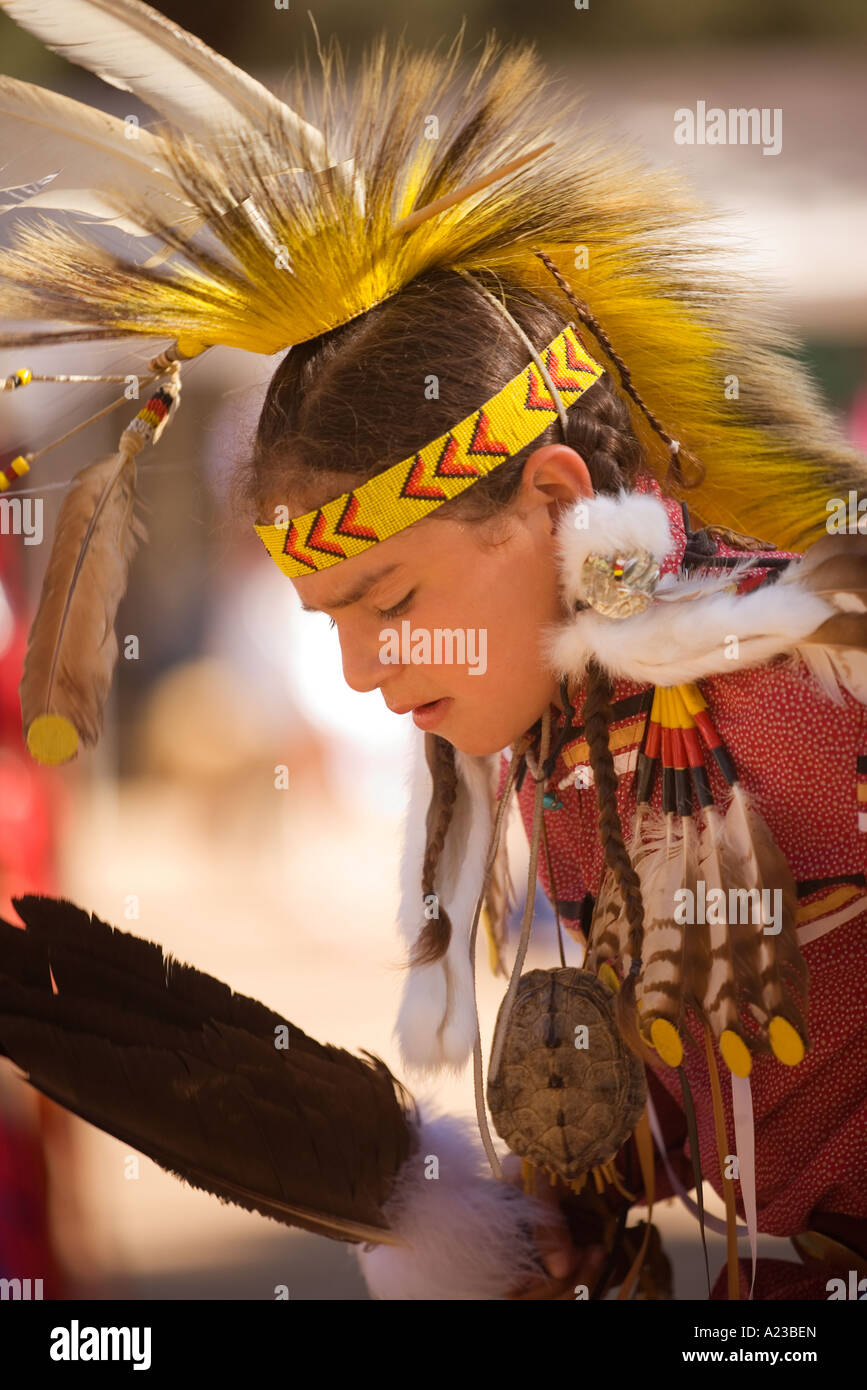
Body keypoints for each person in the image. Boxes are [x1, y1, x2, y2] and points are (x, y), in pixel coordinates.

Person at [1, 0, 865, 1300]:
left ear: (561, 504)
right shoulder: (575, 739)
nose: (360, 671)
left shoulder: (812, 703)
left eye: (389, 598)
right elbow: (758, 1065)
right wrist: (568, 1187)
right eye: (331, 619)